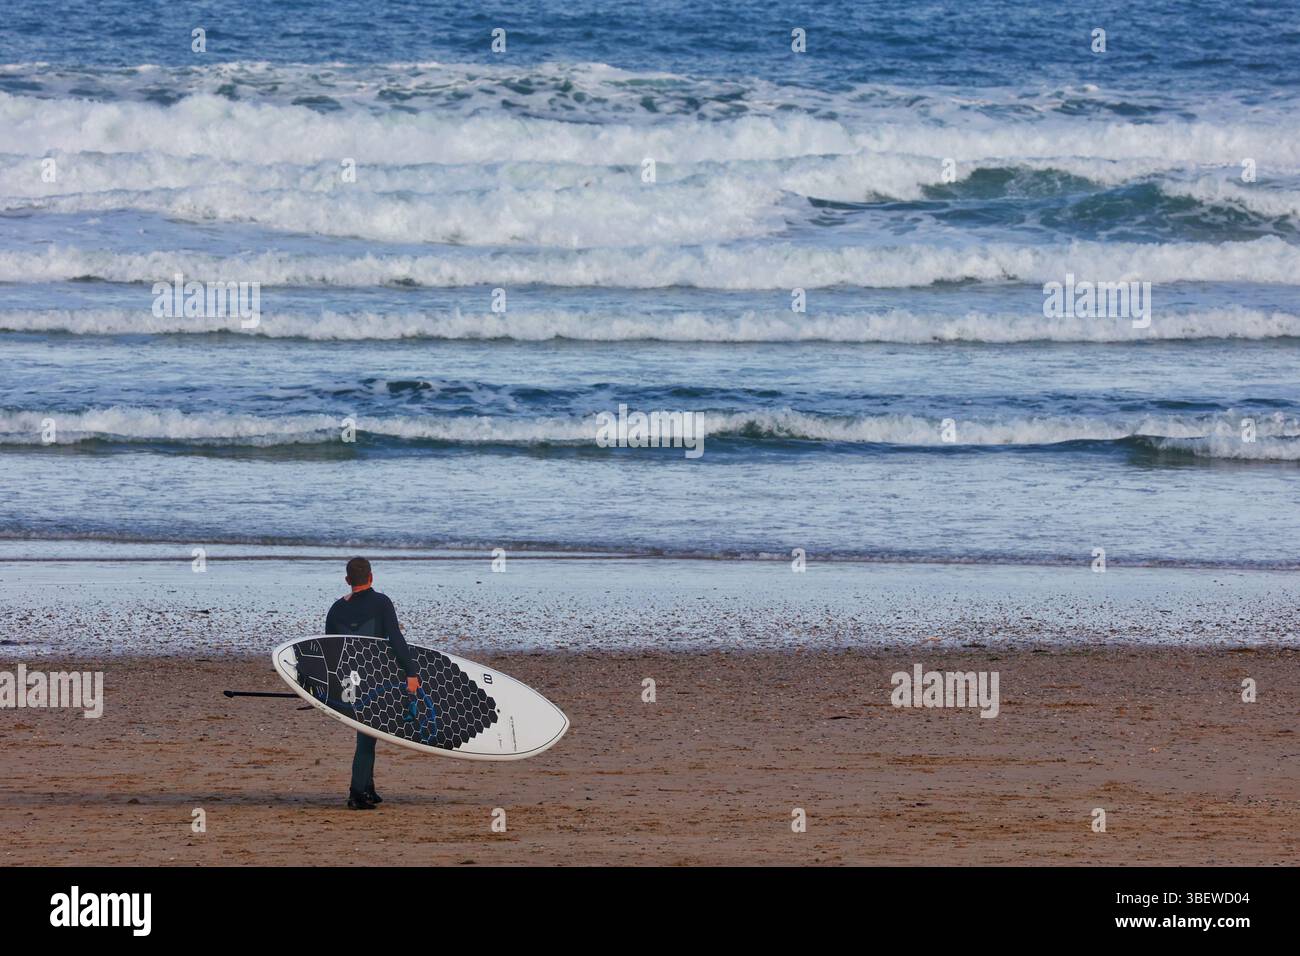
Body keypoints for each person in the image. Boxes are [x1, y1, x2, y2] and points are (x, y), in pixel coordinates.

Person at [324, 557, 420, 810]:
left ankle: (368, 787)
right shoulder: (381, 602)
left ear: (347, 580)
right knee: (367, 735)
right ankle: (357, 794)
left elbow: (329, 650)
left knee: (368, 732)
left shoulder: (336, 609)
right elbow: (396, 639)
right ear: (371, 577)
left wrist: (326, 688)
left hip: (346, 679)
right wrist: (411, 672)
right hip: (373, 676)